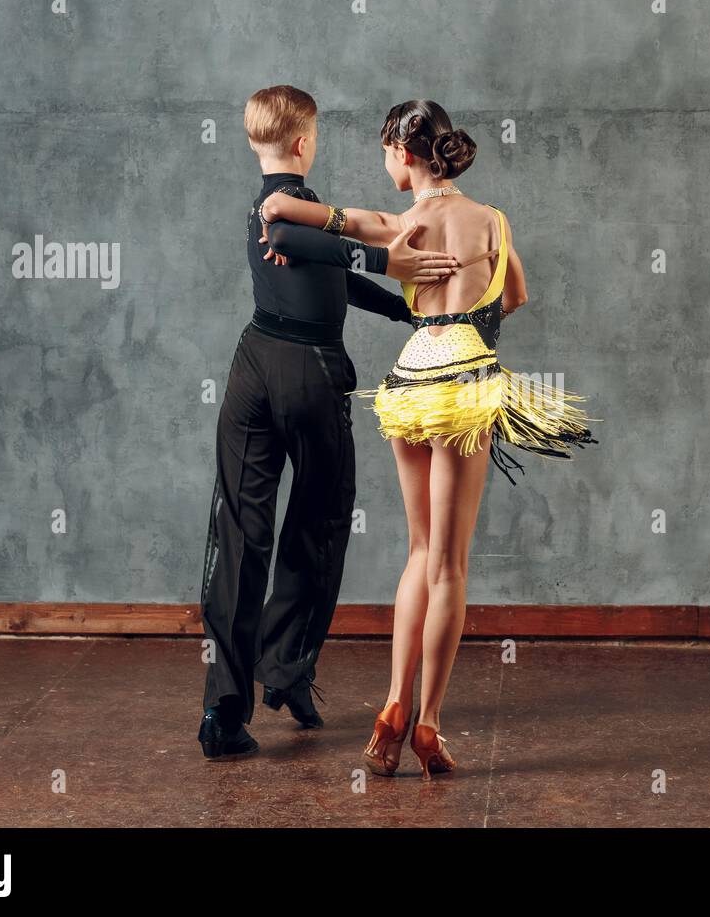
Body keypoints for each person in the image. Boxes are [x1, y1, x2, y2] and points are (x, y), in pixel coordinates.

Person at [256, 99, 597, 778]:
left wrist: (277, 220)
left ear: (402, 154)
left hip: (410, 382)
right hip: (467, 381)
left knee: (417, 552)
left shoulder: (399, 224)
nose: (386, 165)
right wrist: (473, 297)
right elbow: (517, 295)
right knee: (449, 564)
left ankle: (390, 705)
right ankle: (429, 724)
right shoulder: (492, 221)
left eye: (386, 155)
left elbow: (296, 215)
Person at [197, 86, 459, 761]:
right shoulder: (282, 213)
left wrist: (405, 309)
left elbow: (324, 271)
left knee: (239, 532)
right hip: (307, 370)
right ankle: (278, 674)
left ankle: (236, 704)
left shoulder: (277, 210)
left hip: (251, 368)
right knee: (318, 526)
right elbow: (294, 239)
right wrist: (384, 258)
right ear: (304, 142)